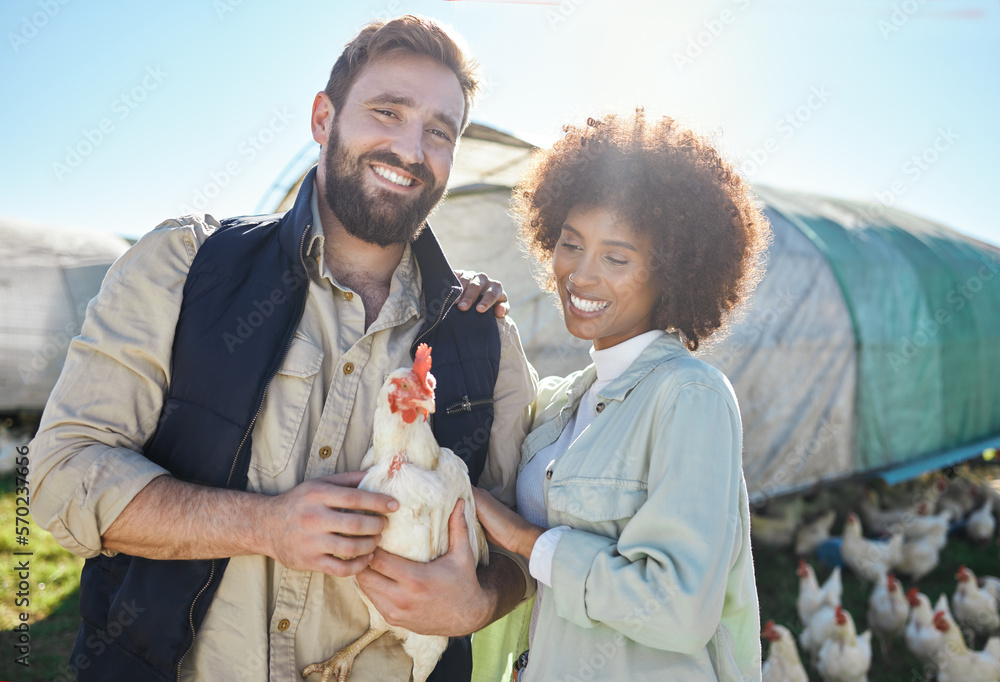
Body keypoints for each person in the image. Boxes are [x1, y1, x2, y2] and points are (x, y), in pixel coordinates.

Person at [29, 15, 538, 682]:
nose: (412, 148)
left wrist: (481, 602)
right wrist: (264, 526)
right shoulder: (184, 268)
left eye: (439, 132)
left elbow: (530, 544)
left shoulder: (486, 338)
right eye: (387, 111)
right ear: (323, 118)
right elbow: (61, 473)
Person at [472, 110, 770, 681]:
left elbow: (680, 609)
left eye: (616, 257)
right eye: (570, 244)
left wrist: (529, 541)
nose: (581, 276)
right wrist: (477, 312)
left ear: (673, 273)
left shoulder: (689, 395)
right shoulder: (564, 401)